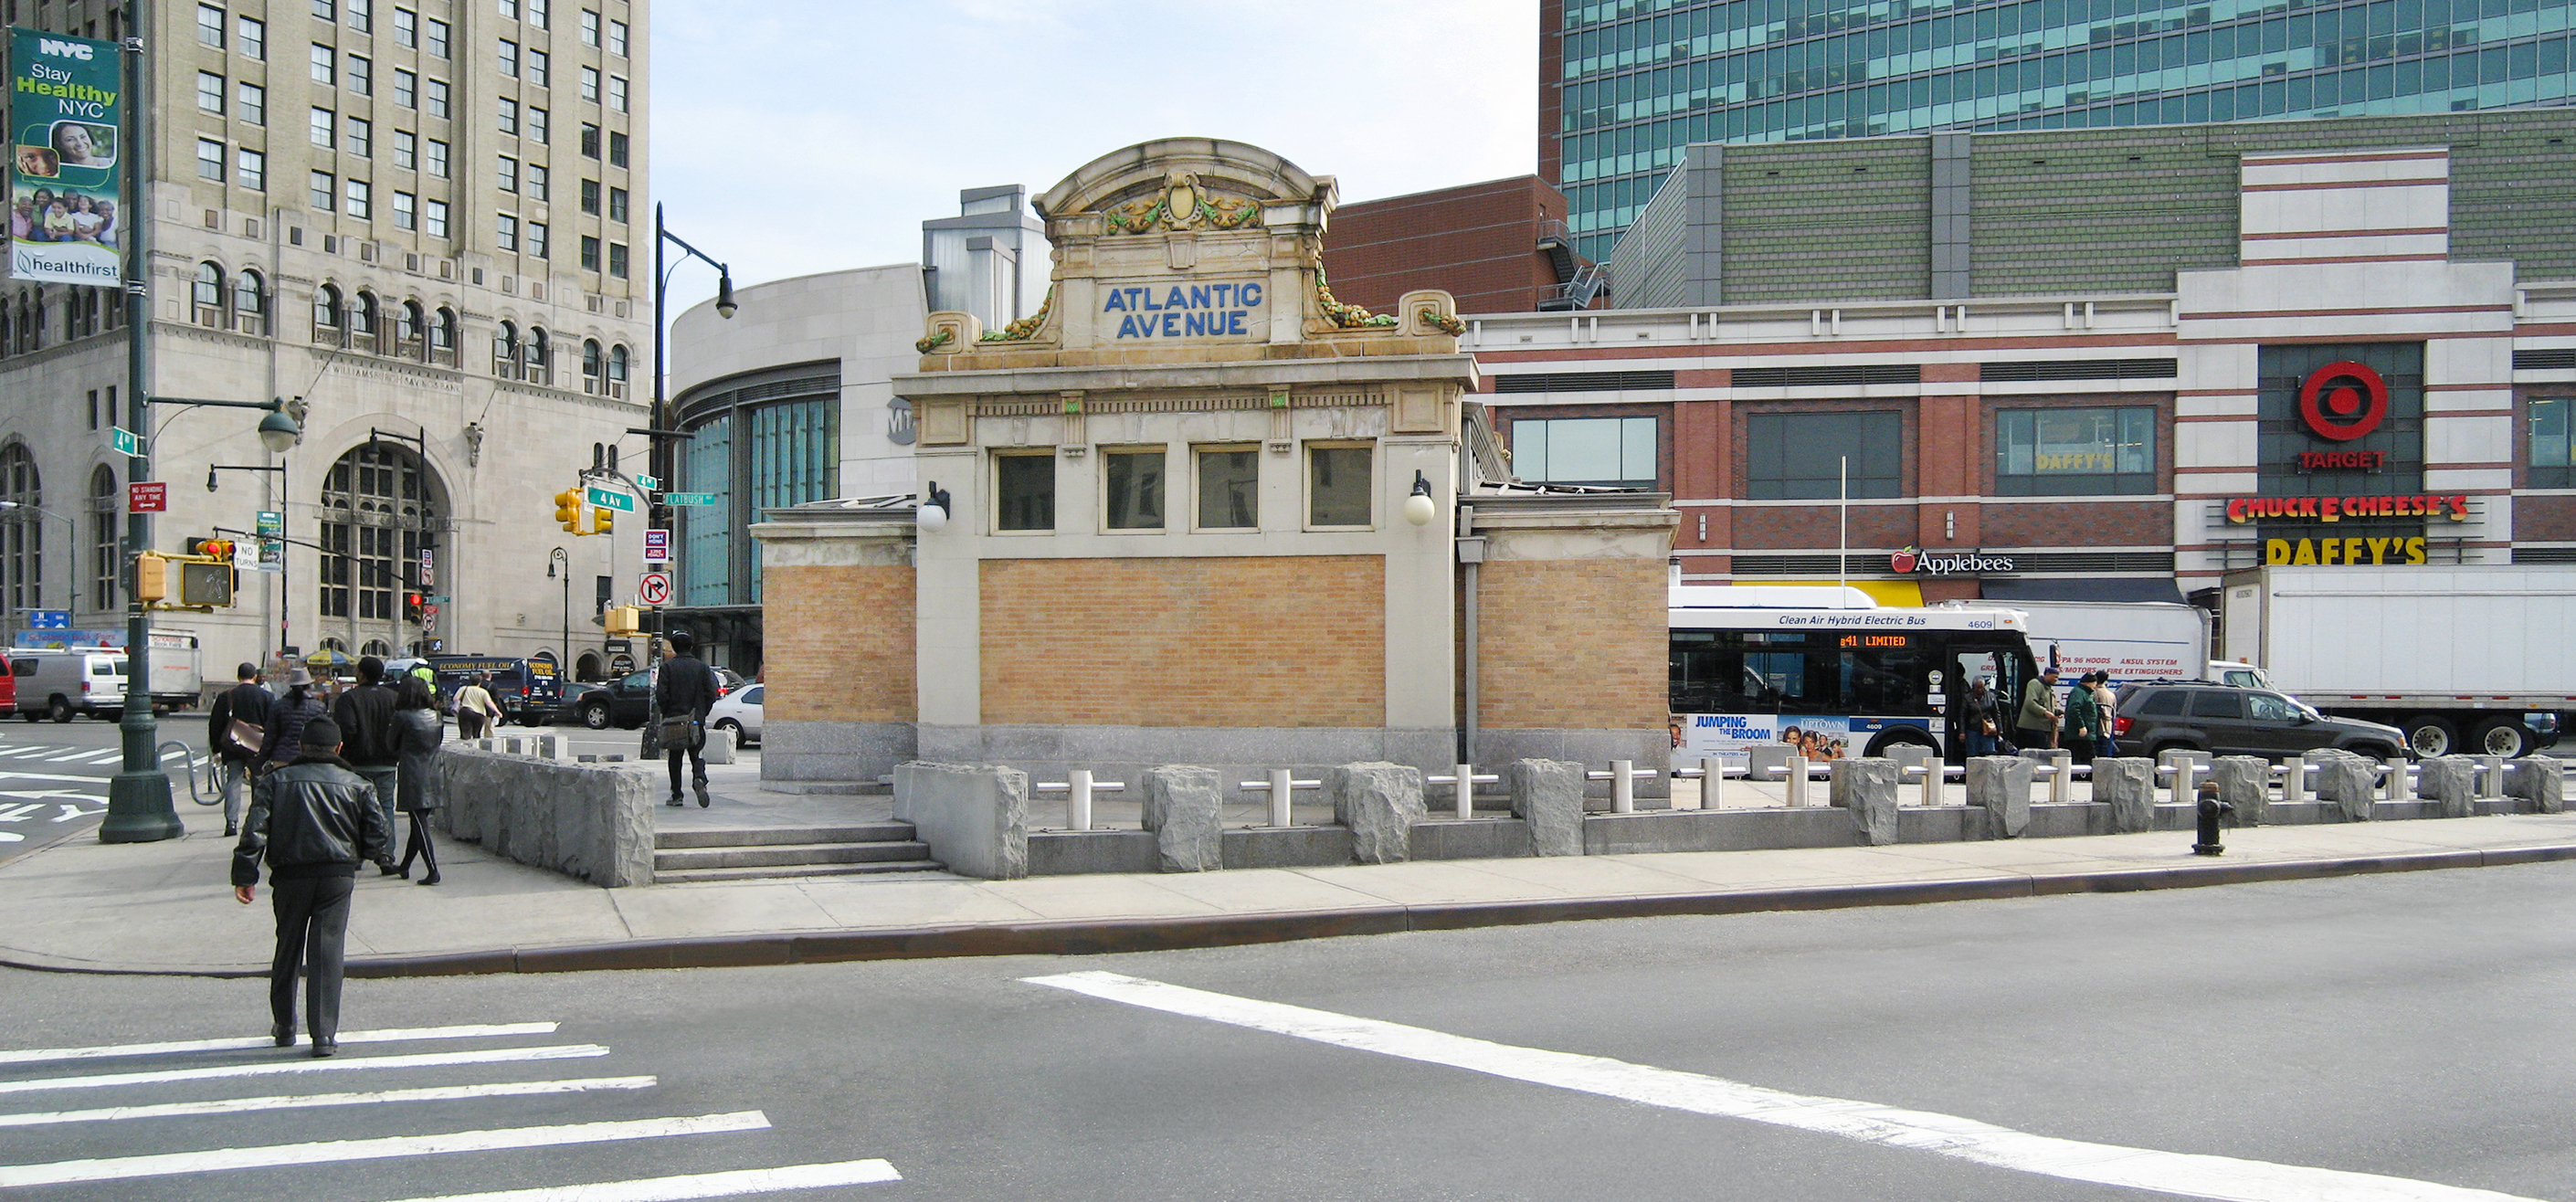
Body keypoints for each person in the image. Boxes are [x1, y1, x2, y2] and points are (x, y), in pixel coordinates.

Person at [230, 716, 394, 1058]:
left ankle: (284, 1026)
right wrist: (357, 856)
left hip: (289, 874)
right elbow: (379, 834)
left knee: (287, 947)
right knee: (327, 951)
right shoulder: (357, 784)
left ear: (301, 747)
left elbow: (254, 831)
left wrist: (245, 875)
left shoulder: (276, 781)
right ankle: (323, 1035)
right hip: (336, 875)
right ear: (339, 748)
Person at [330, 656, 402, 869]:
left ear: (361, 674)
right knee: (386, 806)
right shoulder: (393, 698)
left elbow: (347, 730)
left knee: (356, 809)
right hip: (387, 762)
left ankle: (357, 853)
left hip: (357, 763)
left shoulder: (348, 699)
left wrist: (346, 752)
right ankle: (386, 853)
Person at [653, 630, 720, 807]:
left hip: (675, 719)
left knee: (675, 758)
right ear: (691, 646)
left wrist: (668, 712)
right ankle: (699, 778)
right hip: (696, 719)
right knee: (697, 754)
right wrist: (702, 713)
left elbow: (661, 694)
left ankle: (676, 794)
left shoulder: (667, 667)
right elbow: (711, 693)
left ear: (674, 648)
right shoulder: (702, 667)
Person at [388, 676, 445, 885]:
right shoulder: (436, 716)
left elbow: (391, 744)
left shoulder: (402, 716)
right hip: (434, 771)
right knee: (418, 822)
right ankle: (405, 866)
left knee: (419, 823)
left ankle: (432, 869)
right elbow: (438, 742)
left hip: (413, 772)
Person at [206, 662, 273, 837]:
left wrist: (216, 748)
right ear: (255, 677)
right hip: (257, 747)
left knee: (233, 782)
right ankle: (258, 821)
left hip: (233, 746)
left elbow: (215, 724)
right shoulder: (266, 696)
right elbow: (272, 723)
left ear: (238, 677)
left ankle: (231, 822)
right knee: (258, 783)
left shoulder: (226, 696)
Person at [258, 667, 329, 776]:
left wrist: (261, 760)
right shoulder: (319, 707)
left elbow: (270, 737)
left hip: (281, 757)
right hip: (308, 759)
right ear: (309, 686)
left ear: (291, 686)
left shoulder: (278, 706)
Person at [2016, 667, 2064, 753]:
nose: (2056, 679)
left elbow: (2046, 705)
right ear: (2047, 674)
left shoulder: (2047, 688)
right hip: (2032, 729)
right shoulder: (2035, 684)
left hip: (2043, 729)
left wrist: (2058, 712)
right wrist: (2045, 712)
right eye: (2055, 677)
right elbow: (2030, 703)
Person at [2064, 671, 2103, 764]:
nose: (2095, 686)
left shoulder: (2086, 693)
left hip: (2087, 733)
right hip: (2080, 734)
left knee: (2086, 758)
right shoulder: (2079, 693)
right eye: (2094, 683)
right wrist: (2081, 726)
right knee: (2087, 758)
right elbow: (2073, 709)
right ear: (2088, 683)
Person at [454, 671, 501, 739]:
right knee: (476, 733)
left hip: (466, 711)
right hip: (479, 714)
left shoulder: (464, 688)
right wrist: (497, 711)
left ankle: (465, 742)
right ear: (480, 682)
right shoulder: (483, 692)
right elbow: (489, 703)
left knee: (465, 732)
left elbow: (455, 699)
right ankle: (475, 742)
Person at [1962, 678, 2000, 756]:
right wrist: (1962, 732)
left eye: (1981, 688)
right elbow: (1962, 715)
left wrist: (2000, 729)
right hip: (1973, 728)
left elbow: (1996, 713)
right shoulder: (1967, 698)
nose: (1979, 690)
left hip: (1988, 728)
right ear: (1973, 687)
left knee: (1990, 751)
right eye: (1977, 688)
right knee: (1973, 752)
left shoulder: (1991, 696)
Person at [2092, 674, 2123, 759]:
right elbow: (2114, 710)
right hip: (2108, 727)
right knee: (2107, 753)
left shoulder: (2093, 693)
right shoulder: (2111, 694)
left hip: (2096, 727)